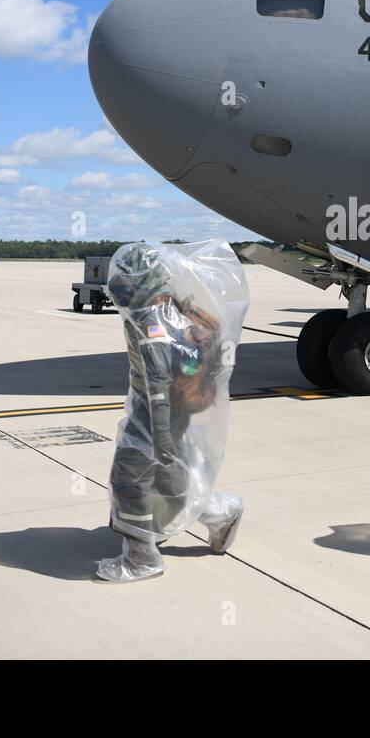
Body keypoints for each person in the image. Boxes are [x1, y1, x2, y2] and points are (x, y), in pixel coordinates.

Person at [95, 239, 250, 583]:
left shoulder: (151, 319)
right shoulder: (165, 307)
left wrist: (161, 436)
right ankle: (221, 512)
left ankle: (141, 559)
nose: (118, 284)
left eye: (127, 276)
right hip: (163, 413)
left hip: (155, 416)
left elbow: (158, 382)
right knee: (168, 480)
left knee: (128, 480)